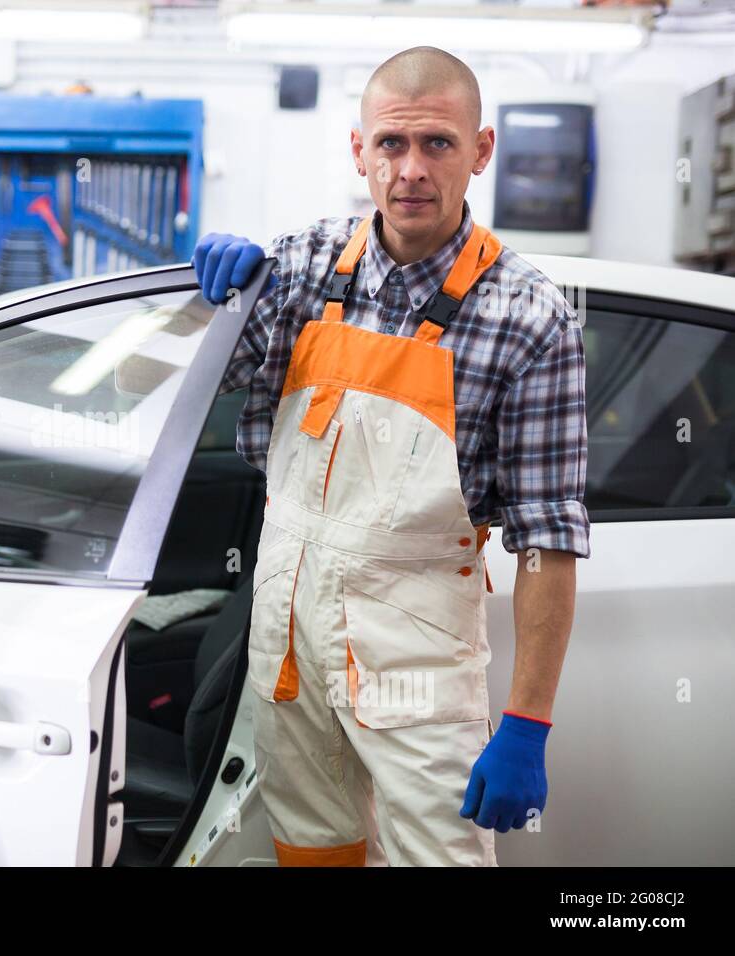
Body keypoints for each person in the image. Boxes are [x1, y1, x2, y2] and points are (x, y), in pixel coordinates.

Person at [192, 46, 588, 866]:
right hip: (286, 657)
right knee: (310, 853)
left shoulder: (529, 318)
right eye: (392, 145)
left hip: (417, 679)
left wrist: (526, 724)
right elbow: (164, 391)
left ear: (480, 151)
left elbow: (548, 537)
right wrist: (203, 306)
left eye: (438, 144)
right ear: (359, 151)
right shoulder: (299, 268)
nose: (412, 170)